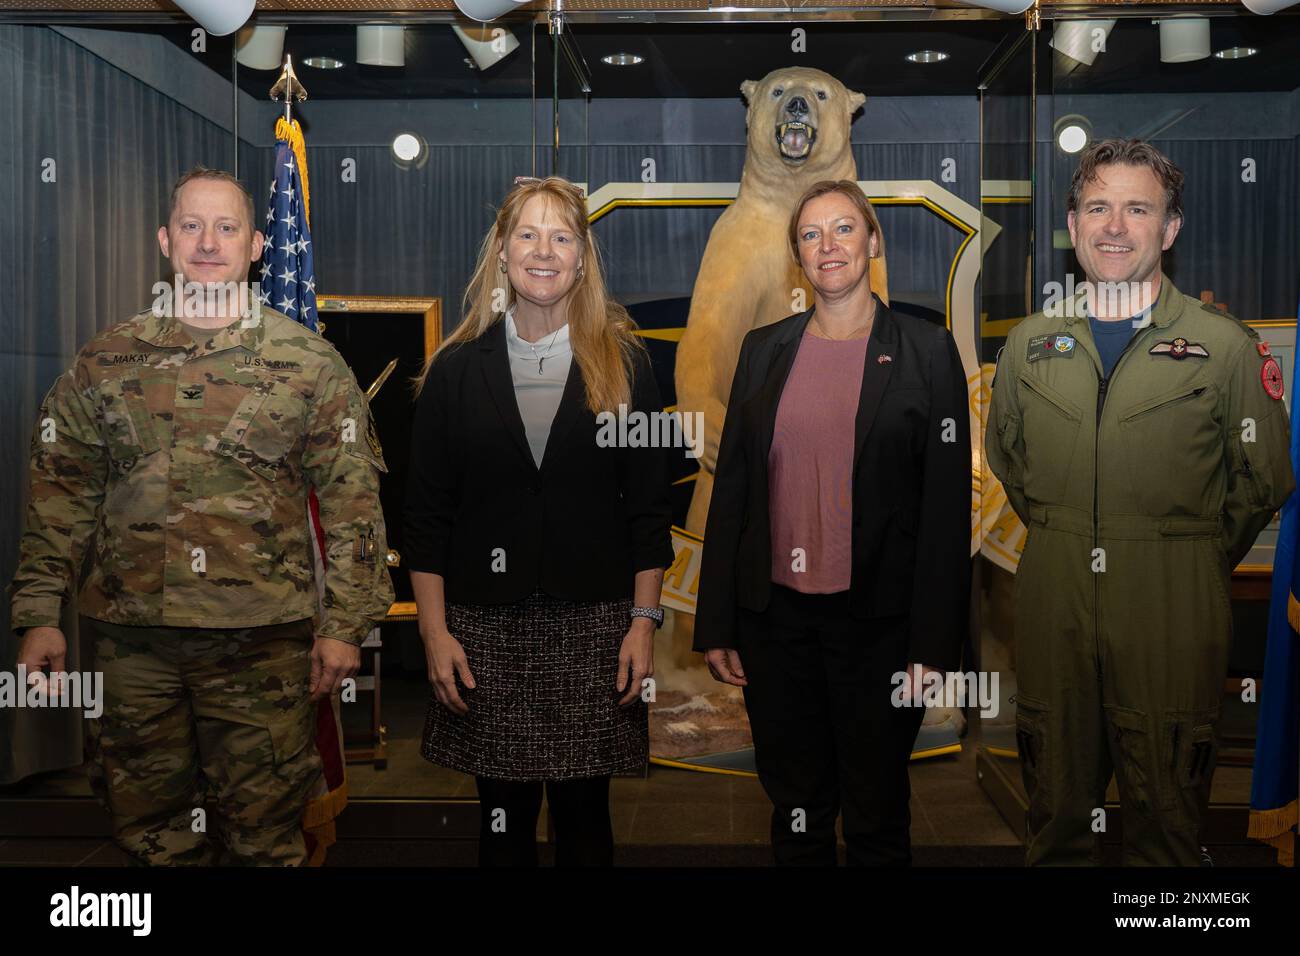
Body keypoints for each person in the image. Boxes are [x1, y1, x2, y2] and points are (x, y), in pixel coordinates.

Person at [8, 167, 394, 866]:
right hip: (131, 647)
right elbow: (60, 492)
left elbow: (352, 505)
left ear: (255, 246)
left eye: (226, 228)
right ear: (165, 239)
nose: (208, 242)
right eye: (192, 225)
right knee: (148, 835)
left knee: (265, 840)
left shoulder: (308, 364)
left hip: (260, 646)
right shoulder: (106, 360)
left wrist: (345, 628)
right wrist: (39, 611)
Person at [986, 138, 1294, 866]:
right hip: (1056, 593)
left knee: (1167, 831)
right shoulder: (1030, 345)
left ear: (1170, 228)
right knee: (1058, 821)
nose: (1115, 227)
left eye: (1137, 208)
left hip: (1172, 602)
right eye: (1097, 207)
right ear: (1072, 223)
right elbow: (1013, 464)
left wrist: (1179, 549)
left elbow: (1262, 479)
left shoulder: (1225, 351)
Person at [693, 179, 971, 866]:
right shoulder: (762, 349)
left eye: (844, 229)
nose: (828, 246)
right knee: (795, 813)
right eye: (811, 235)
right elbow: (732, 494)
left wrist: (933, 644)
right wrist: (718, 622)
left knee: (876, 818)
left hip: (881, 628)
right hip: (777, 627)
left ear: (873, 241)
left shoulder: (927, 351)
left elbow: (944, 510)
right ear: (797, 254)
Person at [406, 175, 673, 867]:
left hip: (596, 627)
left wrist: (645, 625)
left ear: (583, 258)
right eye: (527, 233)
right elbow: (426, 519)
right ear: (501, 251)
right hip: (484, 629)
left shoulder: (627, 368)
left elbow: (649, 512)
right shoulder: (453, 372)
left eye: (562, 236)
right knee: (503, 827)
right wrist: (433, 633)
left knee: (587, 825)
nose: (543, 250)